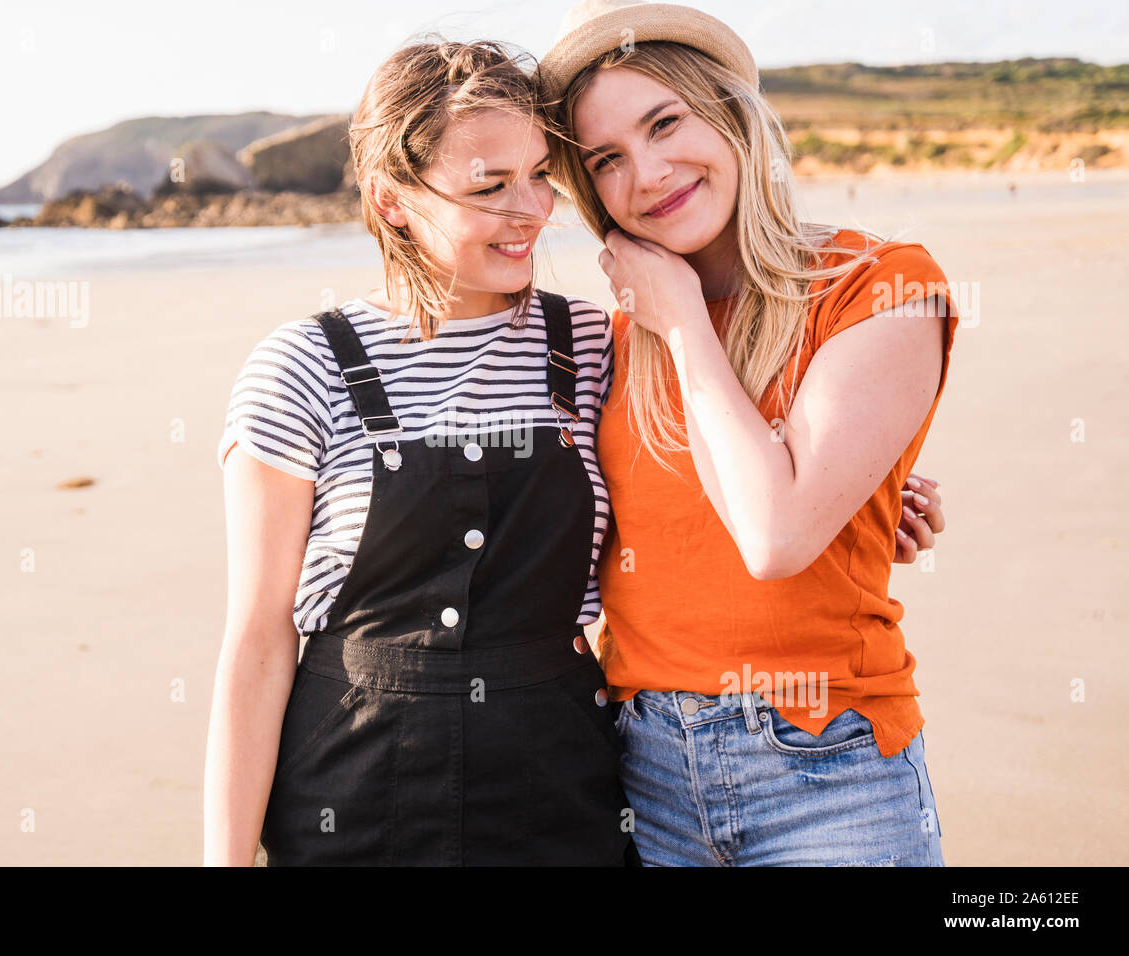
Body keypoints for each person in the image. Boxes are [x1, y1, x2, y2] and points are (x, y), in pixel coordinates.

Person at [539, 0, 958, 865]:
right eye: (608, 160)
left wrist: (686, 322)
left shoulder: (878, 285)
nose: (648, 173)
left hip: (827, 773)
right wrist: (873, 501)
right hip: (638, 768)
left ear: (729, 114)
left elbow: (773, 536)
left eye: (664, 123)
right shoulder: (615, 342)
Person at [203, 39, 637, 866]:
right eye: (490, 187)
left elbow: (693, 484)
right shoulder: (300, 367)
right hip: (351, 800)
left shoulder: (588, 342)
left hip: (561, 794)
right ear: (393, 200)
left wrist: (864, 488)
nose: (534, 211)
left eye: (541, 174)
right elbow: (257, 640)